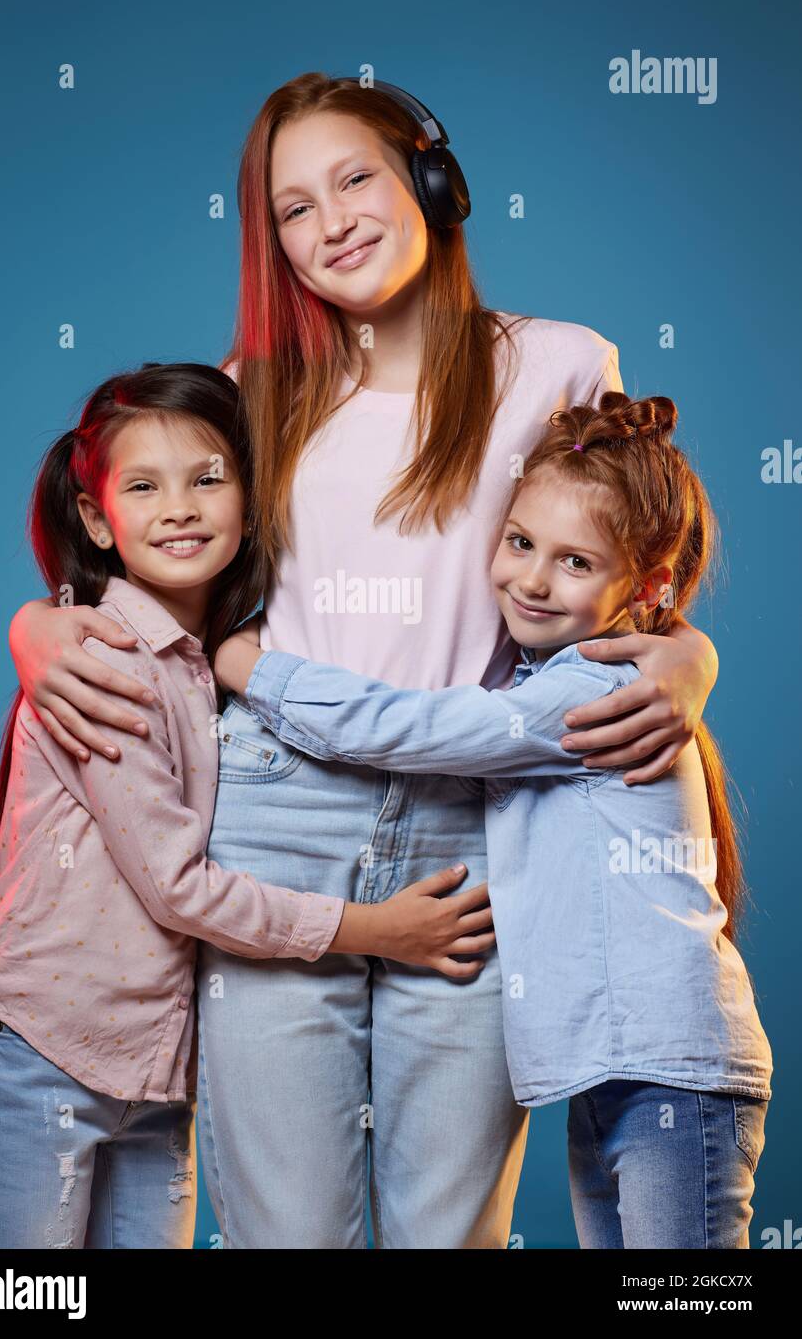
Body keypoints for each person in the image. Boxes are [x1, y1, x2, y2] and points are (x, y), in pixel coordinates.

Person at [6, 74, 720, 1248]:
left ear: (434, 186)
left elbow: (625, 545)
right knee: (288, 1231)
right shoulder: (252, 393)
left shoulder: (559, 364)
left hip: (472, 825)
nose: (329, 220)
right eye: (292, 207)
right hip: (275, 819)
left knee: (453, 1231)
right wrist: (35, 626)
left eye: (355, 179)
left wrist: (687, 657)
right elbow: (155, 553)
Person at [0, 362, 493, 1249]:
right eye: (144, 487)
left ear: (251, 492)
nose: (181, 508)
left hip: (155, 1074)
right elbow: (178, 889)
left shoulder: (223, 665)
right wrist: (378, 929)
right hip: (41, 1051)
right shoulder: (105, 661)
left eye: (208, 478)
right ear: (96, 519)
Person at [216, 390, 773, 1250]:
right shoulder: (550, 676)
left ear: (649, 584)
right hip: (618, 1070)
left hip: (673, 1071)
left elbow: (415, 727)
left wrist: (256, 669)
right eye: (519, 543)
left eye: (575, 563)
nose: (532, 579)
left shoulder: (591, 691)